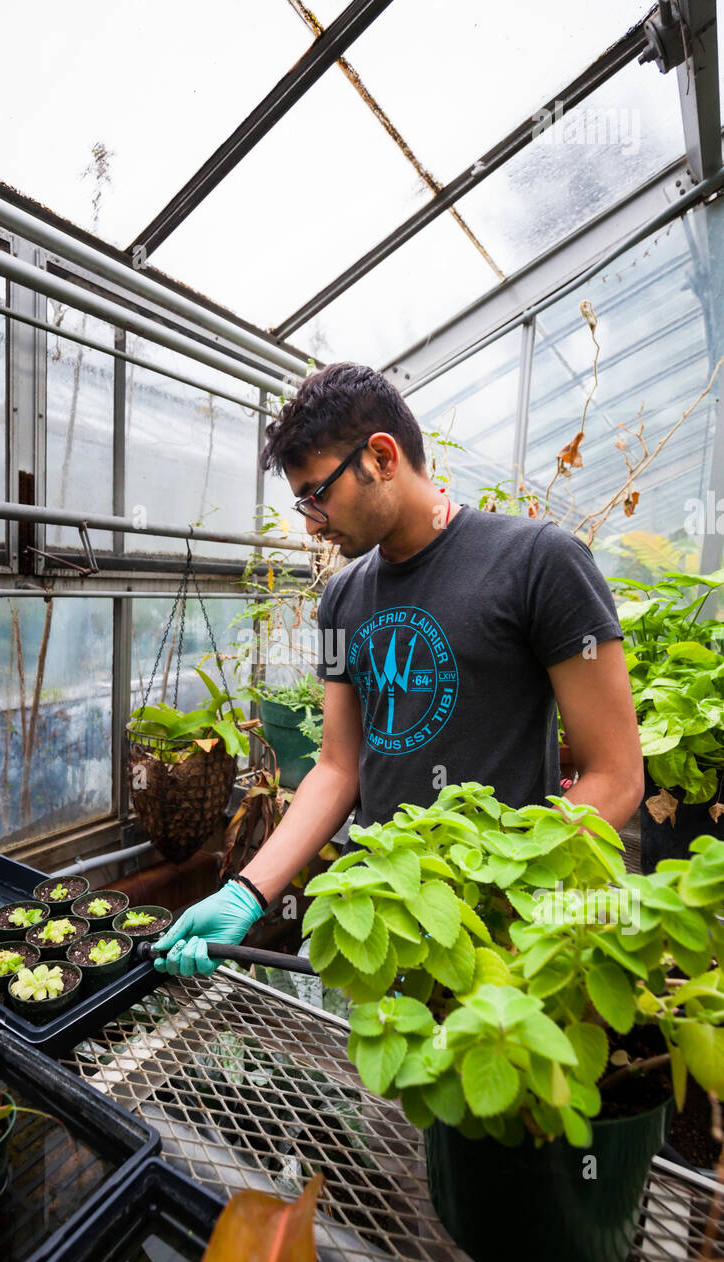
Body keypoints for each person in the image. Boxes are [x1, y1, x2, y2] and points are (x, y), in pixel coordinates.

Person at [153, 362, 644, 977]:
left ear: (381, 456)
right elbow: (337, 767)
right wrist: (246, 891)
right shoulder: (341, 599)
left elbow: (615, 775)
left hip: (503, 933)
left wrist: (505, 893)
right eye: (302, 500)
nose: (310, 521)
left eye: (318, 493)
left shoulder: (539, 563)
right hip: (383, 919)